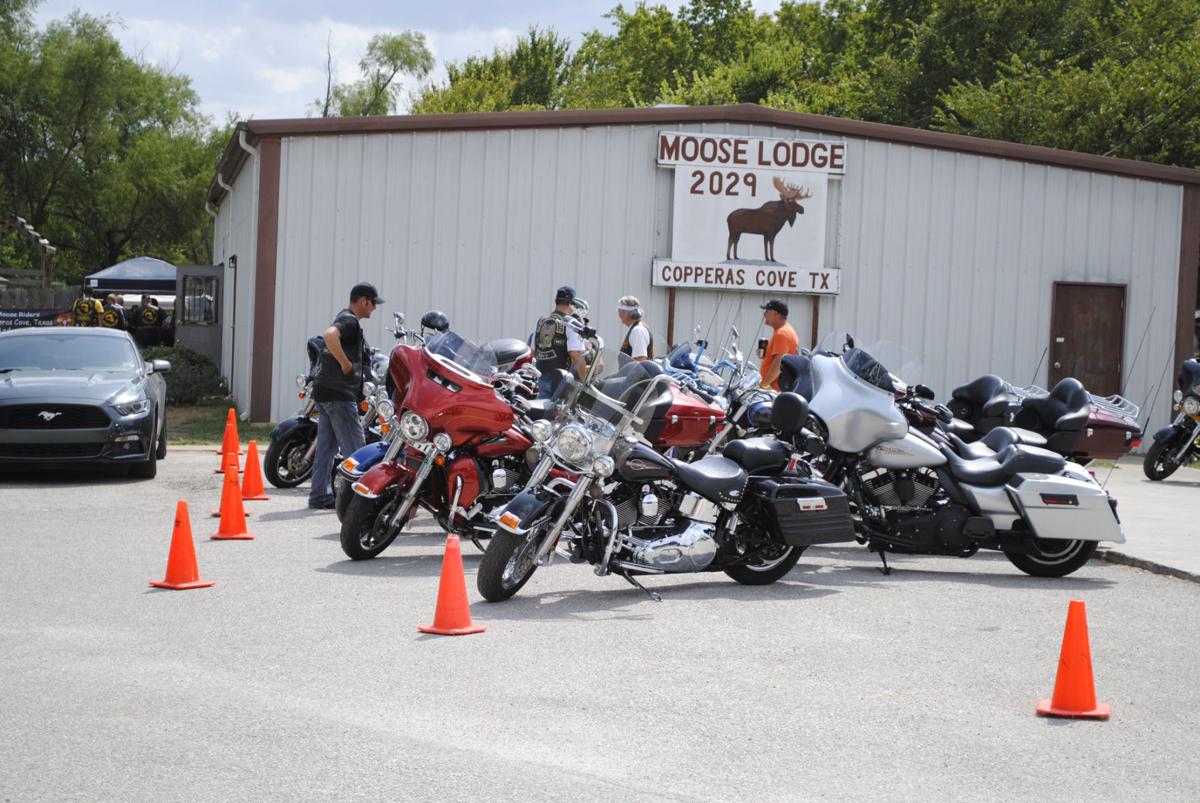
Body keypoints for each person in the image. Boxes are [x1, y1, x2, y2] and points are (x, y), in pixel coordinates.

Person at [308, 282, 383, 510]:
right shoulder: (349, 320)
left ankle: (319, 495)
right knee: (359, 451)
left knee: (326, 448)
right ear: (363, 301)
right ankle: (360, 505)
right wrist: (346, 364)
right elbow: (330, 335)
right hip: (339, 395)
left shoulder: (346, 318)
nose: (374, 309)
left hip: (324, 391)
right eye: (373, 304)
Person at [532, 286, 587, 393]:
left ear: (556, 301)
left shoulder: (542, 320)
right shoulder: (572, 324)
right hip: (558, 382)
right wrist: (584, 382)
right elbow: (575, 355)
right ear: (571, 303)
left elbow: (533, 352)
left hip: (538, 379)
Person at [759, 298, 799, 391]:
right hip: (775, 389)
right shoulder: (784, 330)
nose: (764, 315)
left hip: (774, 391)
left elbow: (779, 363)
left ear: (776, 314)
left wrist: (764, 385)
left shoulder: (782, 333)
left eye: (767, 311)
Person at [616, 295, 653, 361]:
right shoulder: (637, 328)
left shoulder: (638, 330)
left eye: (619, 312)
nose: (619, 315)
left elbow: (640, 359)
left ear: (625, 313)